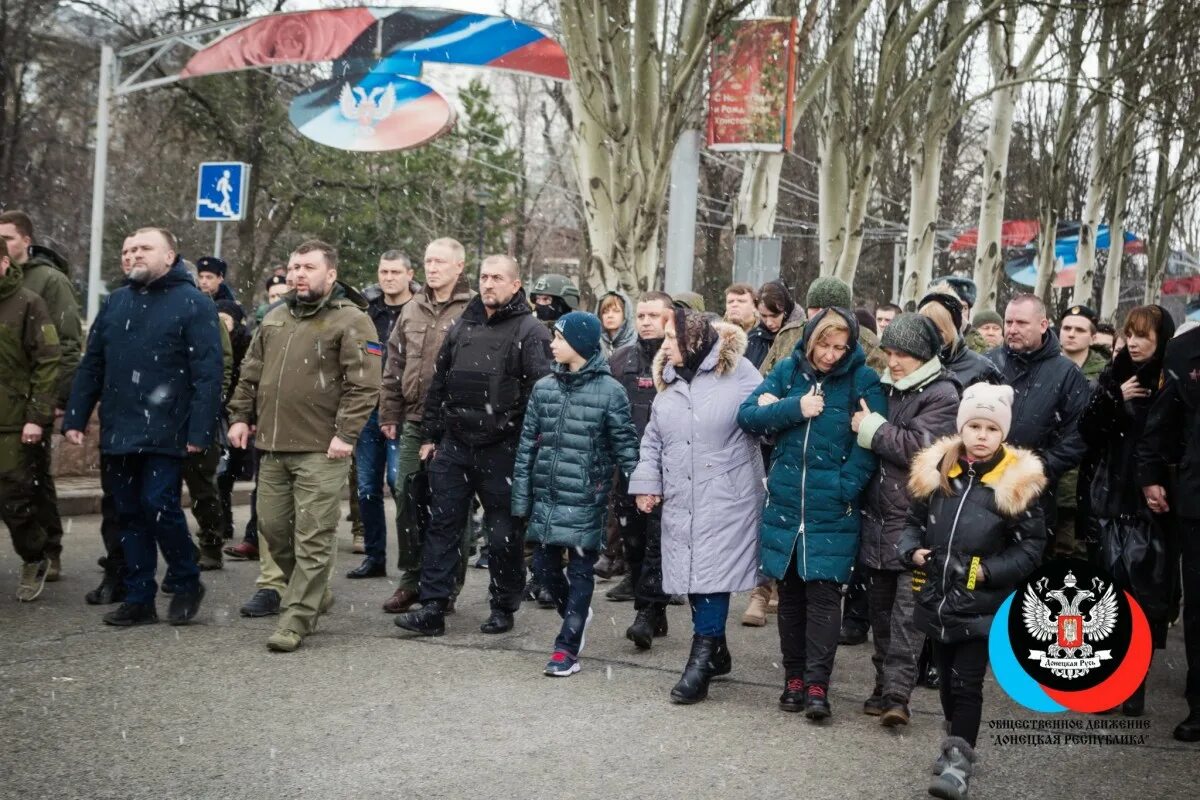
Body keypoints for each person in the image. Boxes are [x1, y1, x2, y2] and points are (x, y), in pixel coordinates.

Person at [63, 227, 223, 627]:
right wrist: (75, 417)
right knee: (126, 512)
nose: (132, 255)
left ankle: (186, 581)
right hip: (119, 427)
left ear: (169, 256)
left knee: (159, 507)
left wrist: (200, 432)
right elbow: (93, 363)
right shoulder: (116, 302)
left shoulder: (193, 304)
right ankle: (139, 598)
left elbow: (208, 375)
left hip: (166, 429)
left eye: (143, 248)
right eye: (127, 250)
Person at [226, 240, 381, 652]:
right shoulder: (274, 318)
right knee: (274, 531)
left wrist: (346, 434)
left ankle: (297, 618)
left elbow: (364, 383)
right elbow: (250, 373)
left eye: (308, 267)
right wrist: (239, 416)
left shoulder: (350, 320)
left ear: (330, 274)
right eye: (294, 267)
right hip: (273, 446)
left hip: (322, 449)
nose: (297, 274)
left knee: (313, 536)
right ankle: (313, 593)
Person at [738, 308, 886, 719]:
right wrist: (793, 408)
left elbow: (870, 441)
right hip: (785, 501)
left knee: (823, 596)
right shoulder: (787, 371)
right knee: (790, 597)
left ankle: (819, 684)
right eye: (824, 344)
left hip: (832, 506)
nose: (831, 355)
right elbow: (747, 416)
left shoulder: (863, 379)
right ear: (811, 339)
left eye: (840, 347)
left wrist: (845, 486)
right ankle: (794, 679)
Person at [393, 255, 551, 637]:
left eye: (497, 277)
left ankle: (503, 606)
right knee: (442, 526)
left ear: (516, 285)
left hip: (503, 449)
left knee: (502, 535)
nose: (488, 283)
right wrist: (430, 436)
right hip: (455, 444)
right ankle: (433, 605)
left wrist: (522, 442)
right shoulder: (463, 325)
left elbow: (540, 394)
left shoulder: (530, 331)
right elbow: (439, 382)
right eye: (484, 277)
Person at [902, 383, 1046, 800]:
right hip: (937, 597)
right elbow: (912, 521)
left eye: (991, 429)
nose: (982, 436)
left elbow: (1031, 548)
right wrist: (912, 551)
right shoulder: (938, 471)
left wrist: (984, 573)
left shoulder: (1015, 483)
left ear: (1003, 434)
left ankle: (959, 763)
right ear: (961, 427)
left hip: (981, 604)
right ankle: (953, 743)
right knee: (945, 682)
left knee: (967, 684)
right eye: (974, 426)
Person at [630, 309, 765, 703]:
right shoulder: (668, 382)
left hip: (727, 496)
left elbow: (765, 416)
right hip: (680, 495)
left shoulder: (739, 373)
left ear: (694, 342)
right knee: (691, 575)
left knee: (710, 575)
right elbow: (653, 439)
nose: (665, 344)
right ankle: (717, 649)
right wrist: (646, 483)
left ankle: (701, 660)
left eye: (672, 338)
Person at [512, 311, 640, 675]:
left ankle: (567, 646)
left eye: (559, 338)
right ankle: (576, 613)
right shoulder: (544, 388)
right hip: (547, 496)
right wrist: (522, 497)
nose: (552, 344)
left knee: (581, 570)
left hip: (587, 496)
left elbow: (625, 446)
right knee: (544, 567)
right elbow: (527, 447)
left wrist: (643, 488)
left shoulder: (611, 392)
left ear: (580, 345)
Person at [849, 313, 960, 726]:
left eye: (904, 355)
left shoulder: (944, 394)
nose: (893, 361)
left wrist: (872, 429)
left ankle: (898, 694)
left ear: (924, 355)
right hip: (877, 520)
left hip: (915, 524)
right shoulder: (884, 387)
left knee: (907, 617)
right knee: (879, 613)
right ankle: (883, 685)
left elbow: (922, 449)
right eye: (890, 352)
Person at [1079, 304, 1177, 715]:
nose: (1134, 343)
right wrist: (1114, 399)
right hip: (1108, 497)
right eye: (1130, 334)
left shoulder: (1170, 379)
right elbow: (1087, 429)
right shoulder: (1115, 372)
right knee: (1109, 593)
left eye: (1144, 336)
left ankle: (1133, 683)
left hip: (1150, 502)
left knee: (1144, 593)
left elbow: (1170, 441)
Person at [378, 238, 474, 613]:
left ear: (459, 267)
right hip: (415, 419)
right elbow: (394, 364)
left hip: (456, 424)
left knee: (452, 506)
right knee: (406, 497)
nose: (432, 268)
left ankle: (448, 584)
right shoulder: (413, 308)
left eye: (440, 262)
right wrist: (389, 412)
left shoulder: (474, 310)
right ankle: (412, 578)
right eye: (428, 261)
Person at [0, 210, 81, 581]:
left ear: (25, 241)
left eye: (10, 236)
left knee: (33, 480)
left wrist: (50, 402)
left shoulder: (48, 282)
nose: (7, 243)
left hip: (32, 401)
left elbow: (63, 345)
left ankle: (49, 548)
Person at [1137, 320, 1200, 741]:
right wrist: (1151, 473)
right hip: (1197, 497)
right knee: (1198, 606)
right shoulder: (1184, 351)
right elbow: (1164, 420)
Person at [985, 294, 1089, 532]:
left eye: (1021, 323)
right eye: (1008, 322)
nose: (1012, 329)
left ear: (1043, 325)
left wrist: (1039, 465)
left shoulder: (1067, 374)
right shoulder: (988, 363)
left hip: (1033, 493)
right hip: (982, 485)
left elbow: (1078, 435)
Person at [607, 291, 675, 645]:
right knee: (632, 544)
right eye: (642, 315)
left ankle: (647, 613)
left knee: (656, 544)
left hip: (666, 470)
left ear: (669, 318)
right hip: (627, 469)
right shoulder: (620, 360)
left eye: (654, 315)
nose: (646, 321)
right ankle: (653, 609)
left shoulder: (679, 360)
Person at [347, 250, 416, 579]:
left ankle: (411, 561)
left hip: (404, 408)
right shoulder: (366, 311)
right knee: (367, 487)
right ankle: (375, 557)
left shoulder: (417, 311)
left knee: (400, 483)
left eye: (395, 272)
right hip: (367, 407)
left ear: (409, 275)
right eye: (383, 271)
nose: (388, 277)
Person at [0, 248, 60, 601]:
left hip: (12, 420)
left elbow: (48, 361)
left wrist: (37, 416)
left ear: (5, 262)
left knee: (14, 499)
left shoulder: (28, 303)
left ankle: (35, 556)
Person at [1056, 304, 1108, 560]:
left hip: (1085, 472)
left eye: (1079, 329)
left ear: (1093, 336)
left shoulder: (1106, 372)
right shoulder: (1047, 365)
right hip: (1047, 469)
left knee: (1074, 550)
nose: (1071, 334)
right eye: (1066, 328)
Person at [759, 276, 886, 376]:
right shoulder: (788, 335)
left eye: (827, 309)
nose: (820, 314)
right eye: (814, 308)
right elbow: (763, 379)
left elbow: (877, 390)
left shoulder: (866, 343)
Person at [919, 288, 1002, 388]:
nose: (930, 335)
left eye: (938, 329)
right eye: (925, 328)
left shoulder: (982, 369)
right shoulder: (912, 363)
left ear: (953, 325)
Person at [745, 280, 800, 370]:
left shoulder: (802, 336)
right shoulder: (753, 338)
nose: (769, 322)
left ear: (786, 310)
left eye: (774, 315)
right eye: (764, 316)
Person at [934, 275, 988, 354]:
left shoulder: (976, 342)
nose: (959, 313)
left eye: (964, 308)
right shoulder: (927, 337)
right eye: (952, 307)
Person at [597, 290, 636, 358]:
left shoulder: (636, 343)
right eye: (605, 312)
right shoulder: (595, 344)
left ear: (625, 314)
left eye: (616, 311)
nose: (610, 315)